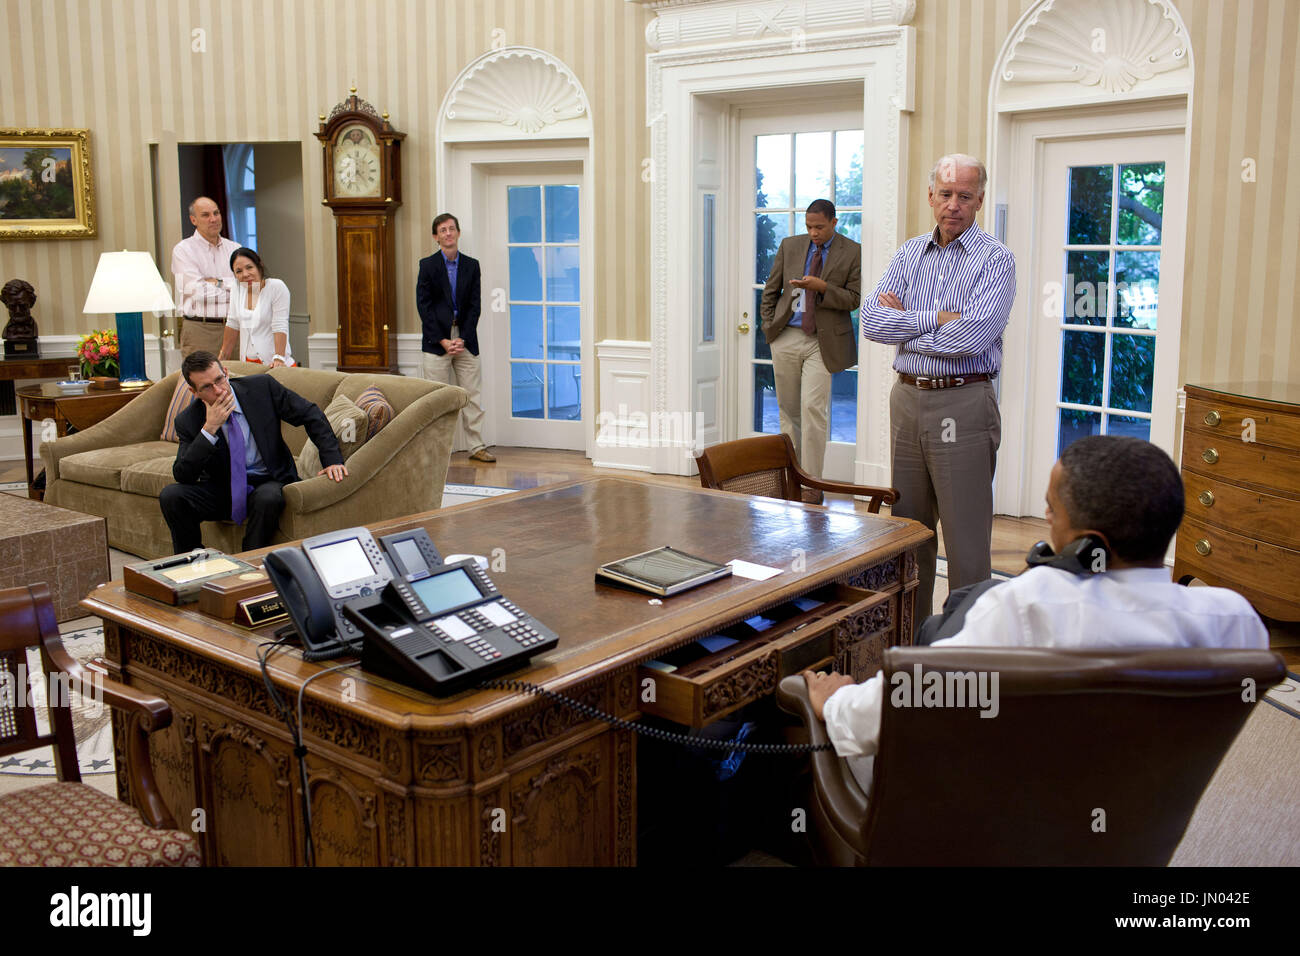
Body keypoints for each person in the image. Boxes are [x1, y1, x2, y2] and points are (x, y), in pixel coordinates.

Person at [803, 436, 1268, 788]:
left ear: (1090, 545)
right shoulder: (1234, 620)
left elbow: (896, 707)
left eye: (1051, 510)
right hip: (1137, 828)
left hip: (992, 826)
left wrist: (838, 699)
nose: (1046, 519)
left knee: (801, 717)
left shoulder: (1027, 606)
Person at [861, 154, 1016, 630]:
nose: (954, 205)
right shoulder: (909, 254)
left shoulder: (995, 259)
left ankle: (965, 644)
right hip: (906, 400)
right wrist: (934, 319)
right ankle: (912, 634)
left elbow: (972, 338)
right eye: (945, 194)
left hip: (963, 402)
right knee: (910, 528)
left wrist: (904, 324)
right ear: (931, 197)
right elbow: (870, 322)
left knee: (966, 539)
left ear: (980, 201)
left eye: (965, 196)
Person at [160, 351, 348, 554]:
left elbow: (310, 414)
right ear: (194, 391)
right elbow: (183, 474)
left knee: (267, 497)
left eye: (219, 380)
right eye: (207, 387)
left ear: (226, 372)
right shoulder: (188, 420)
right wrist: (209, 429)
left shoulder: (261, 388)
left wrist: (332, 460)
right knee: (172, 495)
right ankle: (191, 560)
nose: (218, 390)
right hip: (224, 489)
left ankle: (250, 559)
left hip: (269, 480)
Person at [759, 199, 861, 479]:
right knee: (788, 411)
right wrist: (770, 327)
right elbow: (771, 289)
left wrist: (823, 288)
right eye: (809, 226)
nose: (813, 232)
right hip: (786, 336)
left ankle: (812, 482)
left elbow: (854, 299)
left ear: (833, 223)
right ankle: (791, 478)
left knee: (813, 409)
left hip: (822, 341)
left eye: (819, 227)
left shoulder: (852, 251)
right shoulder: (790, 245)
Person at [416, 213, 492, 462]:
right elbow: (424, 307)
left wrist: (463, 338)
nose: (448, 233)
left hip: (465, 338)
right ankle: (439, 452)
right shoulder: (427, 266)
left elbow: (474, 306)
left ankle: (476, 446)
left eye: (451, 229)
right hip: (436, 340)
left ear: (458, 233)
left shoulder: (472, 265)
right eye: (442, 230)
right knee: (437, 398)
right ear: (436, 237)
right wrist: (443, 340)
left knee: (472, 395)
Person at [171, 196, 240, 357]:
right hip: (200, 330)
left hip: (235, 328)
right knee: (199, 381)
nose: (213, 219)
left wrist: (218, 282)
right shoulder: (183, 250)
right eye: (206, 215)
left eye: (216, 213)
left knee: (240, 380)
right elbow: (198, 292)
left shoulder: (235, 248)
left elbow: (249, 288)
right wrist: (232, 286)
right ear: (193, 220)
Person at [218, 247, 293, 368]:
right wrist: (222, 358)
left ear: (259, 265)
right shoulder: (237, 288)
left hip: (274, 364)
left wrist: (279, 358)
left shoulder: (277, 287)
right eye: (239, 271)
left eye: (249, 267)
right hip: (247, 364)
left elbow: (280, 324)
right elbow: (232, 323)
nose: (245, 274)